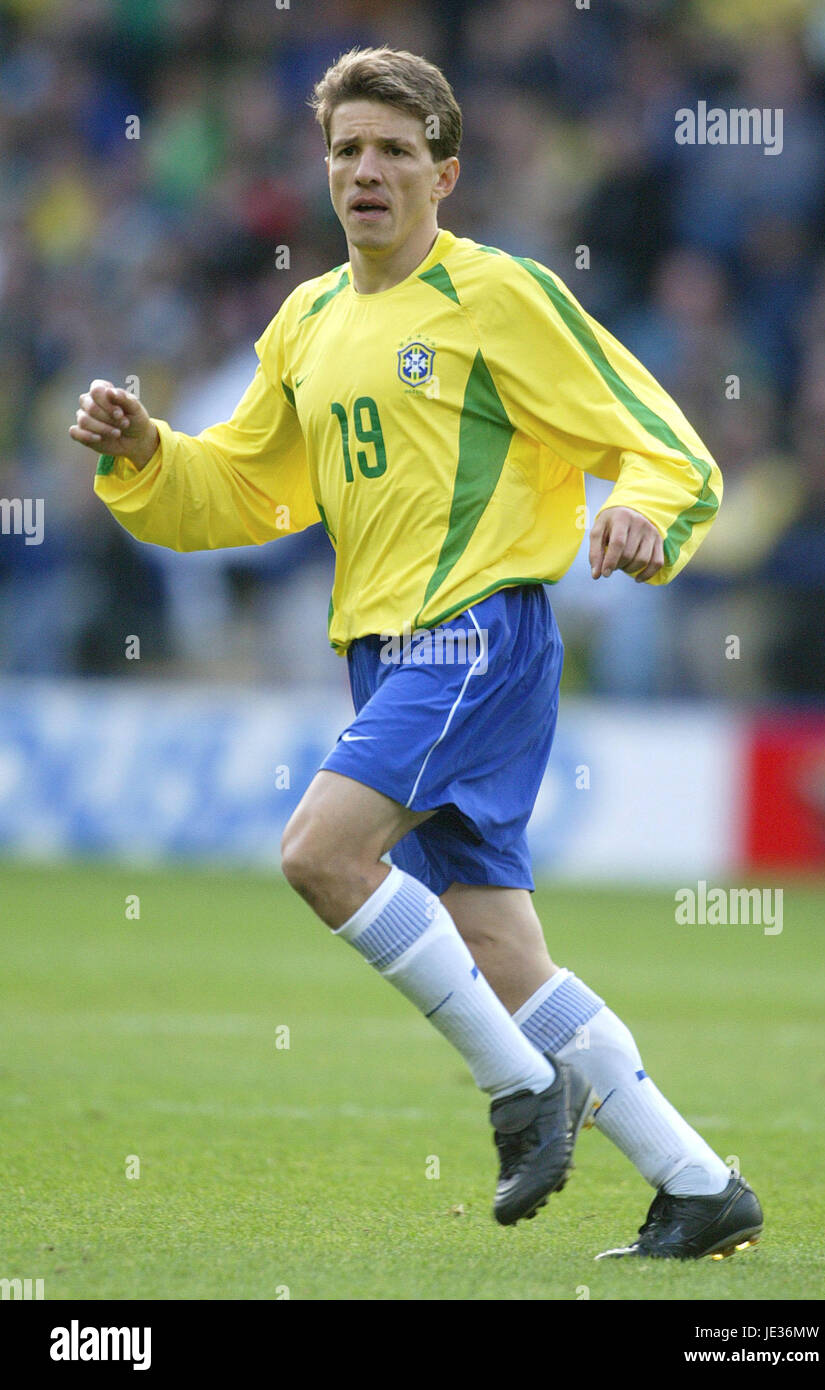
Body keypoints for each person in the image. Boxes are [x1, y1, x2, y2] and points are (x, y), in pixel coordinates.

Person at [71, 46, 762, 1258]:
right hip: (387, 658)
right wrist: (143, 455)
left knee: (319, 852)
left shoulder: (496, 294)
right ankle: (697, 1182)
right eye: (346, 149)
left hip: (473, 635)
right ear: (323, 171)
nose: (366, 170)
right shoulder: (307, 320)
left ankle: (515, 1089)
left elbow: (661, 443)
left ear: (444, 174)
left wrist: (646, 515)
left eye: (394, 150)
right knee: (502, 954)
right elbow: (241, 490)